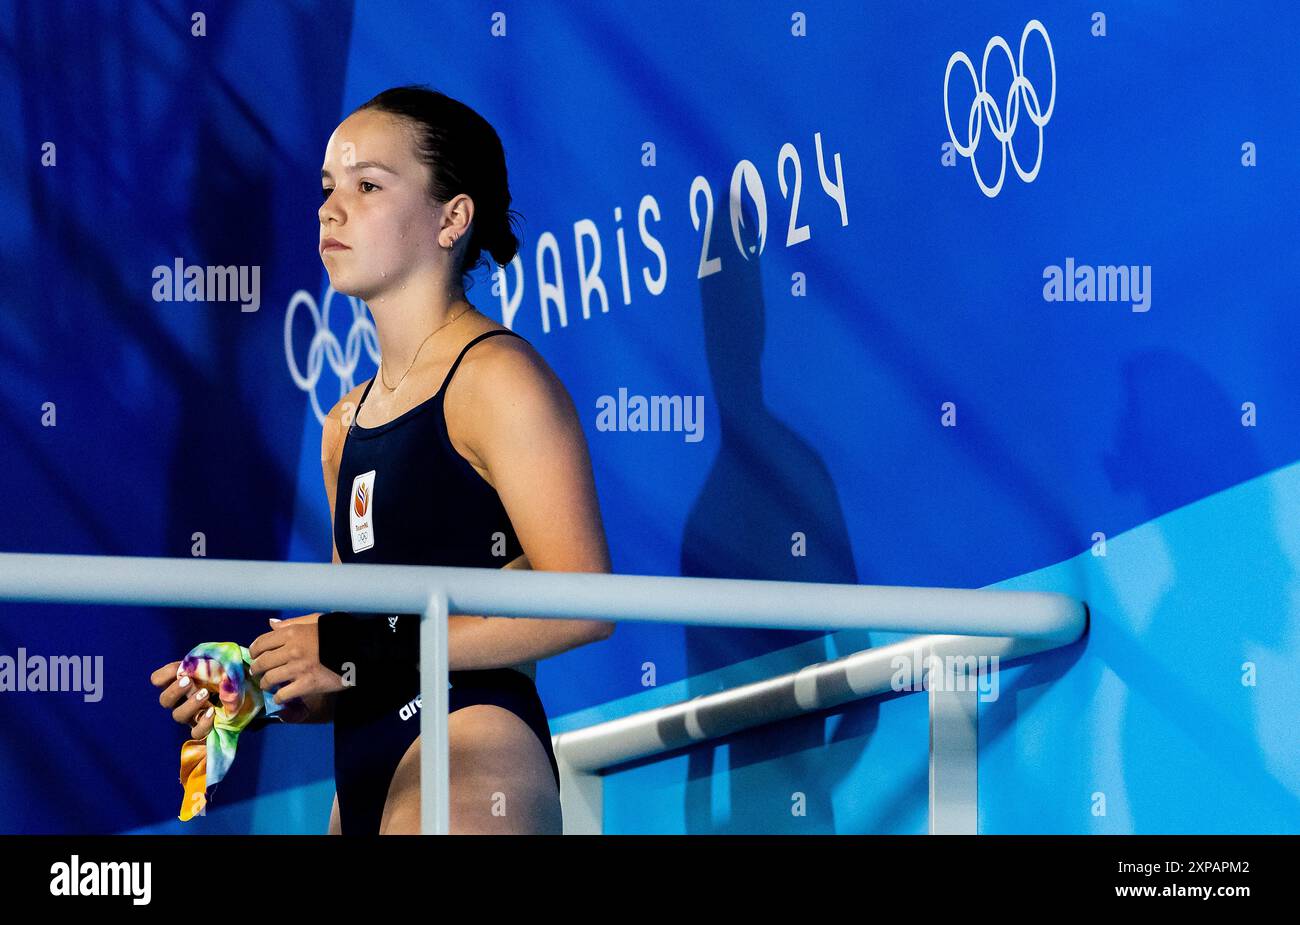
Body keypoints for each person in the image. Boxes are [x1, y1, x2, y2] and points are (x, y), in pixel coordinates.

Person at [152, 84, 614, 834]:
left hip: (468, 746)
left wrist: (350, 644)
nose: (331, 210)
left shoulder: (496, 379)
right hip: (362, 771)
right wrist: (265, 690)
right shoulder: (343, 422)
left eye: (367, 186)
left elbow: (589, 602)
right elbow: (362, 658)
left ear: (452, 218)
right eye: (329, 189)